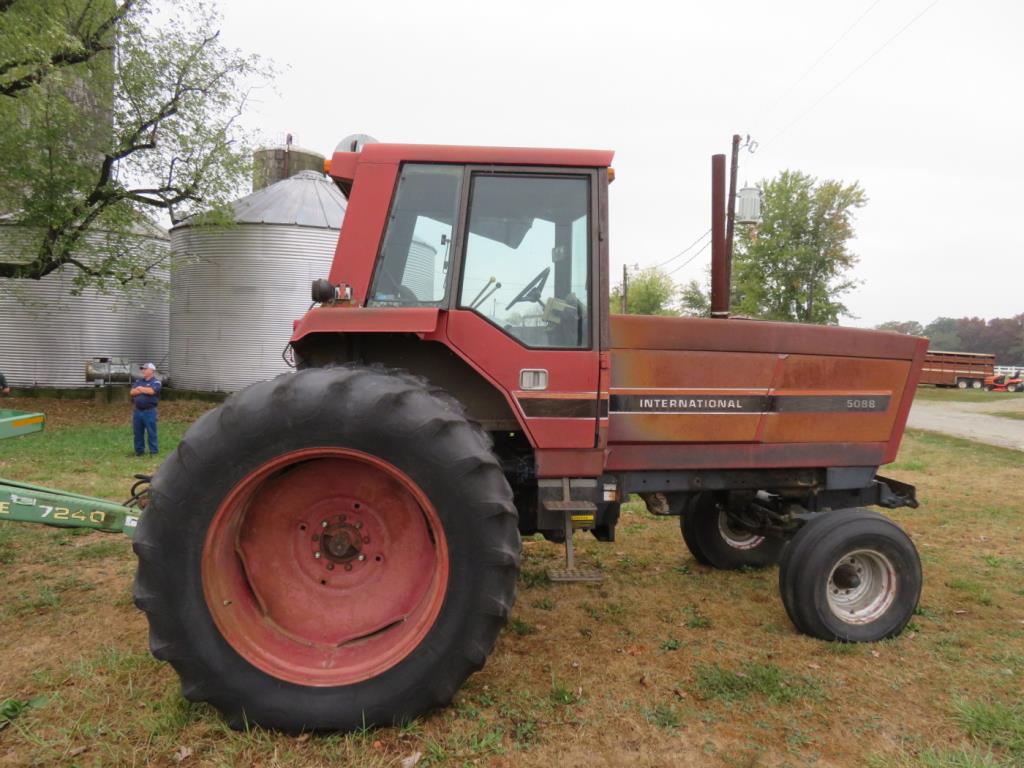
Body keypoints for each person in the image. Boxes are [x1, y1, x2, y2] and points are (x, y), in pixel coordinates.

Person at [130, 363, 162, 456]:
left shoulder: (156, 382)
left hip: (149, 411)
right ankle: (139, 452)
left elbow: (152, 391)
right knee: (138, 433)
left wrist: (140, 389)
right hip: (137, 411)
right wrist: (143, 389)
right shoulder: (138, 381)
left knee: (151, 432)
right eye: (143, 369)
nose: (143, 371)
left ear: (151, 371)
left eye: (145, 369)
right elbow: (132, 392)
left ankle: (153, 452)